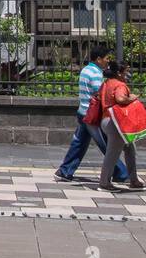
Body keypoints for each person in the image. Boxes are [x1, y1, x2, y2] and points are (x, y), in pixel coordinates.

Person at [54, 45, 128, 183]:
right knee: (106, 144)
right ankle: (121, 173)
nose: (108, 61)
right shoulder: (95, 73)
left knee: (79, 143)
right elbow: (100, 94)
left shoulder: (86, 70)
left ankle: (64, 171)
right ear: (99, 59)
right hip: (92, 114)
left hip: (83, 112)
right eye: (106, 58)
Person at [99, 62, 146, 192]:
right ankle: (104, 183)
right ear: (119, 73)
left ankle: (134, 180)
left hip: (106, 120)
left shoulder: (107, 83)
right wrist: (132, 98)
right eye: (126, 71)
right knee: (112, 154)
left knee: (130, 148)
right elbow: (120, 99)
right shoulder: (119, 85)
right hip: (115, 124)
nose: (128, 74)